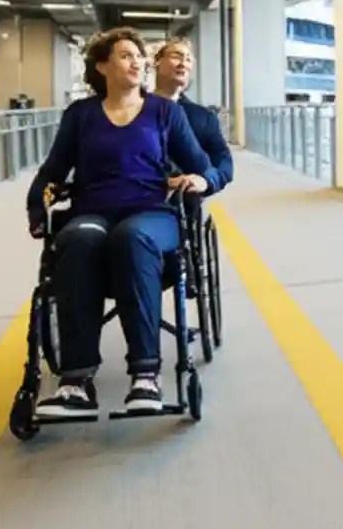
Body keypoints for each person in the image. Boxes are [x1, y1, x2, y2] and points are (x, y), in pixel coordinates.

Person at [25, 27, 223, 418]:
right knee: (78, 240)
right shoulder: (80, 116)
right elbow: (52, 171)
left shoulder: (164, 112)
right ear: (102, 66)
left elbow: (203, 166)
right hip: (92, 212)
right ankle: (76, 382)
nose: (137, 62)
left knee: (133, 238)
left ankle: (145, 375)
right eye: (126, 55)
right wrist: (36, 210)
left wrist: (205, 180)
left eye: (139, 56)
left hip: (151, 213)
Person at [150, 38, 234, 193]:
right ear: (157, 62)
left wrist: (207, 181)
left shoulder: (204, 117)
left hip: (183, 203)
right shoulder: (135, 108)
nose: (183, 63)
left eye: (188, 60)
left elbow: (224, 164)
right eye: (176, 56)